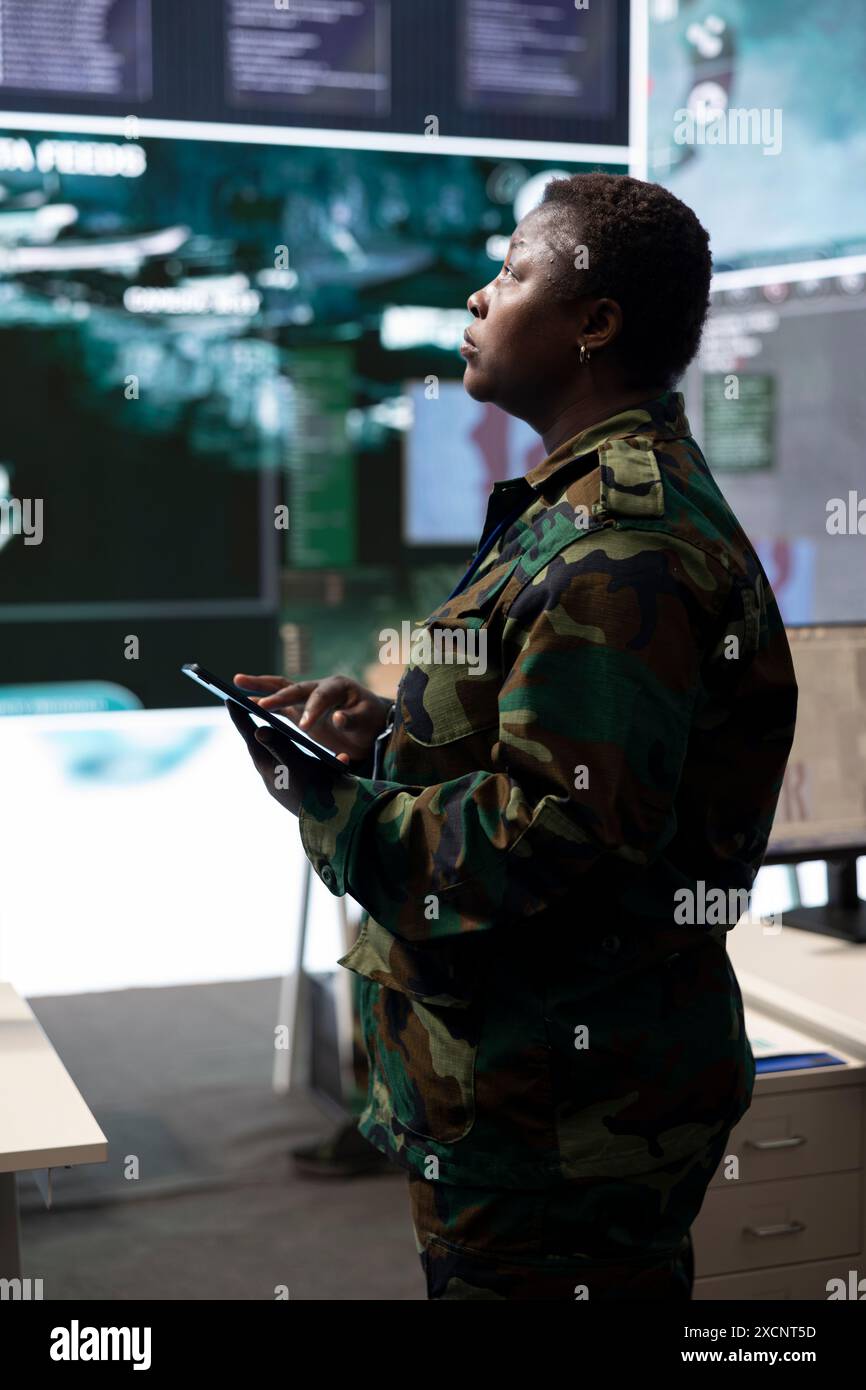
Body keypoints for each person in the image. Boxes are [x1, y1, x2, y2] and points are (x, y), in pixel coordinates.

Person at [230, 172, 798, 1300]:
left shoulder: (616, 546)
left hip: (557, 1126)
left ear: (594, 322)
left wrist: (336, 805)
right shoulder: (574, 510)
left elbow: (552, 837)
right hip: (543, 1103)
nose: (480, 299)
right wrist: (387, 734)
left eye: (513, 273)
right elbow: (549, 746)